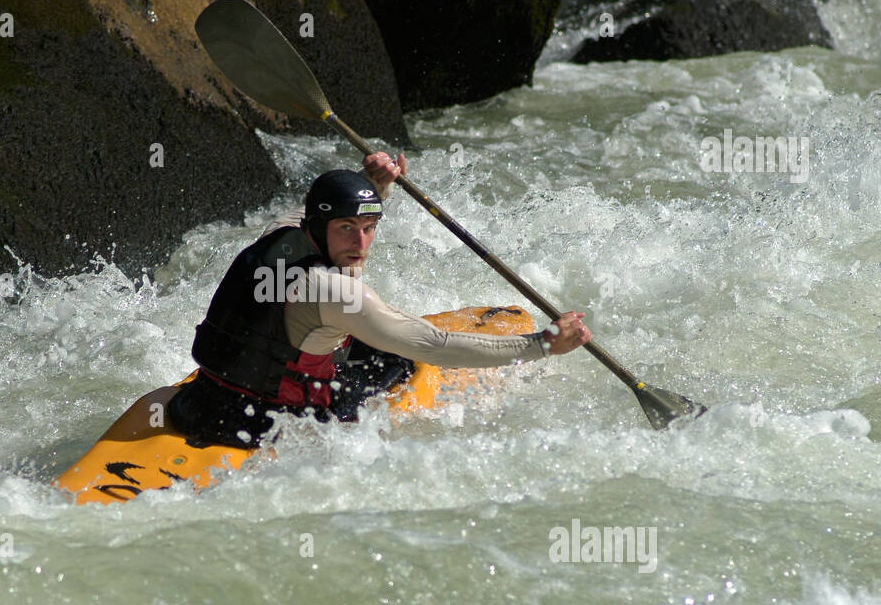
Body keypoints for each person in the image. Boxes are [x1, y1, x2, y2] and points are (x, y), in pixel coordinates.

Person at [167, 152, 592, 447]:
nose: (361, 242)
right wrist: (543, 345)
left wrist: (371, 185)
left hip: (202, 401)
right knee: (402, 360)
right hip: (267, 424)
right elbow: (434, 345)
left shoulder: (278, 232)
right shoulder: (334, 292)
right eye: (347, 228)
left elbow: (327, 211)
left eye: (370, 226)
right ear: (319, 223)